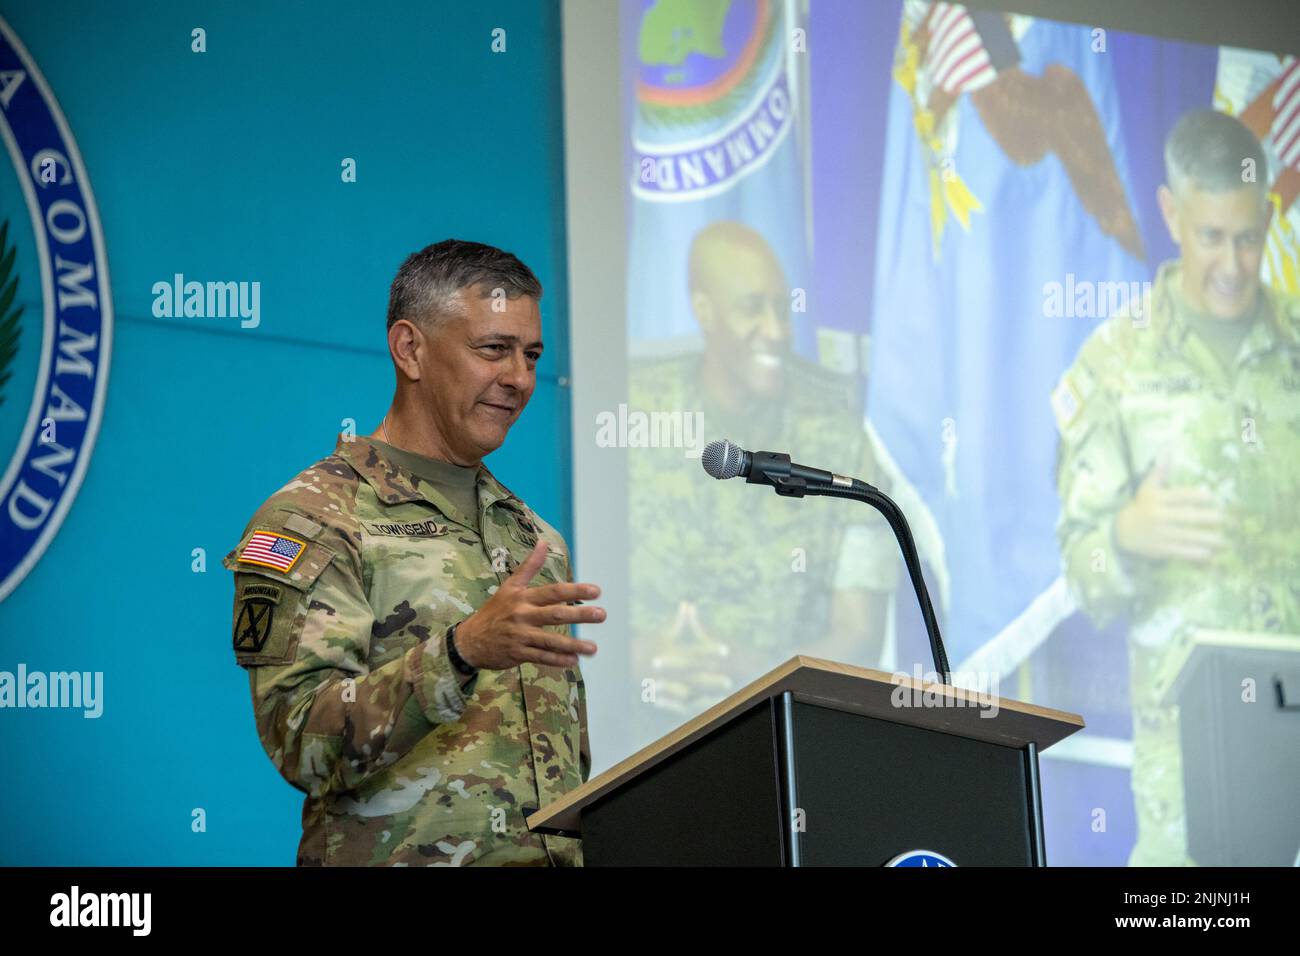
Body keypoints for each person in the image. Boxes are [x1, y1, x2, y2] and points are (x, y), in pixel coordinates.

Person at [223, 239, 605, 866]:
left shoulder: (532, 537)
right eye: (494, 349)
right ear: (410, 349)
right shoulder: (315, 516)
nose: (519, 378)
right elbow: (300, 741)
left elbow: (565, 764)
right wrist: (459, 653)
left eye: (531, 355)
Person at [1054, 110, 1300, 866]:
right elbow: (1081, 574)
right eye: (1210, 238)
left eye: (1249, 238)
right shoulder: (1113, 364)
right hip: (1187, 780)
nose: (1232, 263)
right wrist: (1124, 536)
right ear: (1170, 214)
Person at [628, 221, 899, 740]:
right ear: (704, 311)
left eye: (782, 308)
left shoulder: (839, 435)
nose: (776, 330)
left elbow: (860, 632)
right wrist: (634, 656)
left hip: (788, 727)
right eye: (753, 307)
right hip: (638, 731)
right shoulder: (635, 418)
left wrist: (745, 672)